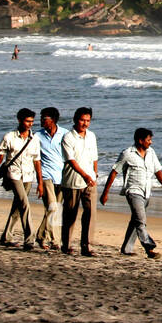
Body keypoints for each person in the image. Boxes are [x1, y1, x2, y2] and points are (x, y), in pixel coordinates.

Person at [101, 127, 162, 258]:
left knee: (136, 220)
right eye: (149, 140)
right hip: (133, 191)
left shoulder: (151, 153)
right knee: (141, 220)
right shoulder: (127, 153)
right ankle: (149, 248)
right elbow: (114, 172)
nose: (151, 142)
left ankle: (126, 248)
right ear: (140, 140)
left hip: (146, 192)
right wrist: (105, 193)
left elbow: (158, 171)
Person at [0, 108, 44, 251]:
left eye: (32, 122)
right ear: (19, 120)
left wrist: (40, 183)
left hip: (28, 176)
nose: (30, 124)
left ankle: (6, 237)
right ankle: (29, 239)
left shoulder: (34, 139)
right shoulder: (9, 137)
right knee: (24, 204)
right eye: (27, 121)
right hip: (13, 174)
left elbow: (37, 161)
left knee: (17, 207)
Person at [60, 107, 98, 256]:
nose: (85, 123)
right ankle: (66, 244)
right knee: (70, 214)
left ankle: (86, 245)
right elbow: (71, 161)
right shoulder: (68, 137)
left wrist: (93, 174)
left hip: (90, 181)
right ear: (76, 119)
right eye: (82, 120)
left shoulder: (91, 136)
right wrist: (85, 175)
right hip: (72, 181)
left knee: (90, 213)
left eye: (88, 120)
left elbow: (94, 157)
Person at [34, 107, 66, 251]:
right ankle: (49, 238)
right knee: (53, 207)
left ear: (52, 120)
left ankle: (46, 237)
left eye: (44, 118)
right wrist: (39, 181)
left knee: (56, 209)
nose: (41, 121)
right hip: (46, 175)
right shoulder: (37, 136)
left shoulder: (65, 134)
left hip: (62, 176)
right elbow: (36, 159)